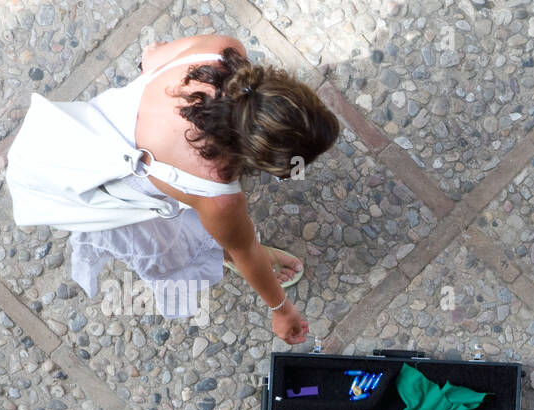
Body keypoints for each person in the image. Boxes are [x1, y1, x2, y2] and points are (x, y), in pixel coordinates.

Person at [64, 34, 340, 343]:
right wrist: (281, 310)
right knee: (210, 232)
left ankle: (219, 236)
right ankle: (221, 248)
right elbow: (245, 250)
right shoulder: (218, 195)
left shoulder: (223, 51)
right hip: (111, 187)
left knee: (213, 217)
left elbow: (151, 55)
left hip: (85, 133)